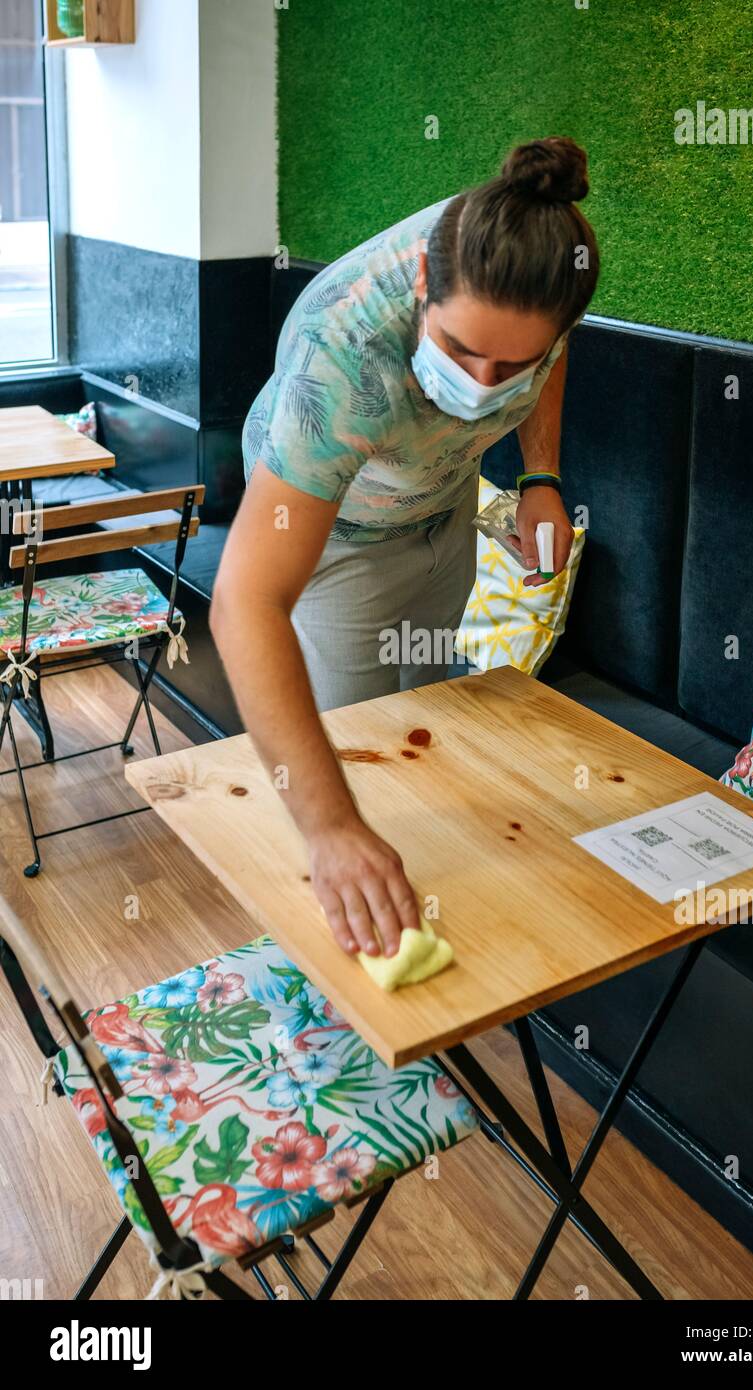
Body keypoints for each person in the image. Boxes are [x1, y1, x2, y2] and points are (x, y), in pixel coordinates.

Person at [211, 136, 600, 962]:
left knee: (423, 723)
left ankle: (429, 938)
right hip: (336, 531)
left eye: (511, 365)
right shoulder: (340, 356)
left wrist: (542, 476)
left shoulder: (538, 274)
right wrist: (334, 826)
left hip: (444, 500)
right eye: (461, 353)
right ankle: (335, 975)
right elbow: (245, 601)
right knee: (346, 758)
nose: (485, 384)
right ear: (424, 287)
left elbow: (546, 361)